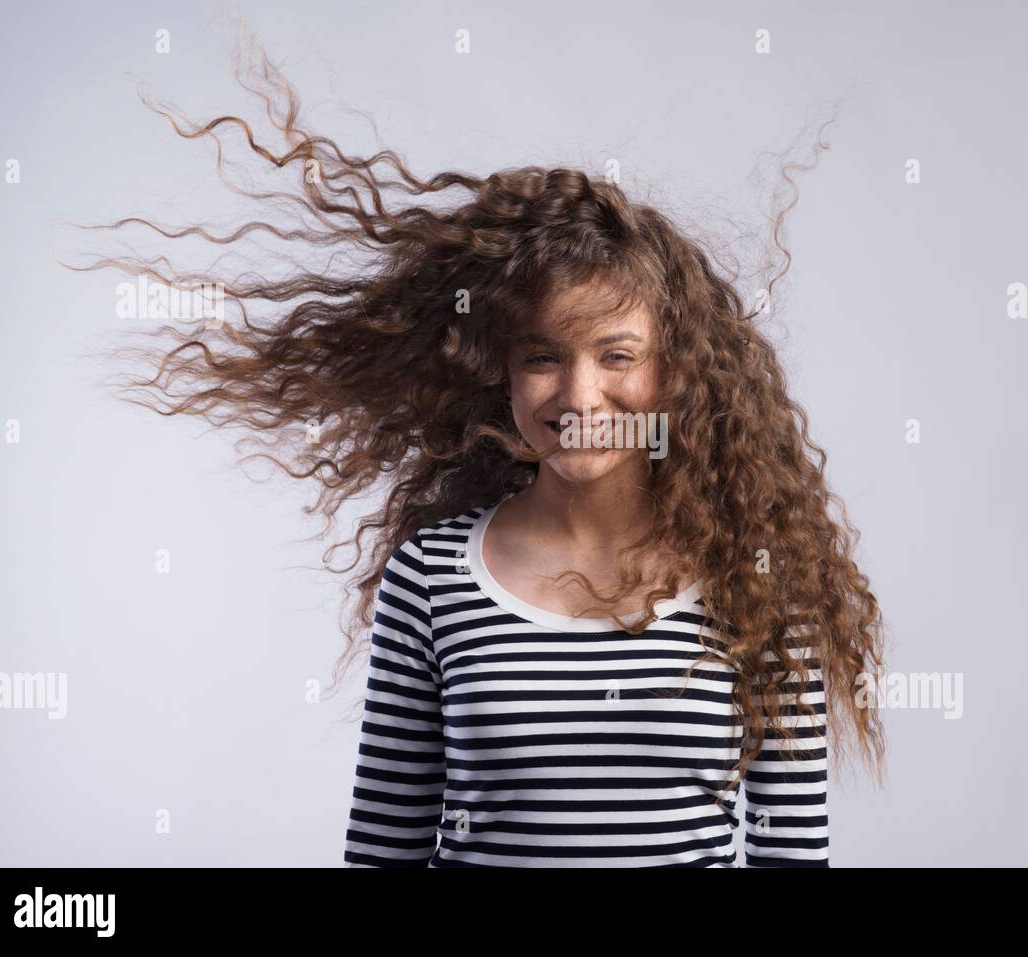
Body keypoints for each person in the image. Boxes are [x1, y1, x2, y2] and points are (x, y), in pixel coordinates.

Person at [79, 37, 886, 867]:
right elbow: (385, 851)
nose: (579, 396)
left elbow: (793, 855)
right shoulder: (431, 578)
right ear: (501, 372)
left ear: (674, 372)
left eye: (616, 355)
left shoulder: (759, 581)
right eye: (543, 356)